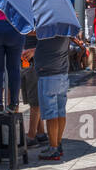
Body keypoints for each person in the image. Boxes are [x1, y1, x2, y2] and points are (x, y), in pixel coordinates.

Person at [30, 32, 70, 161]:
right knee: (60, 111)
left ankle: (53, 148)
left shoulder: (50, 28)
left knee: (51, 113)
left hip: (49, 74)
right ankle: (57, 144)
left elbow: (32, 31)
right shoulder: (65, 28)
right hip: (62, 73)